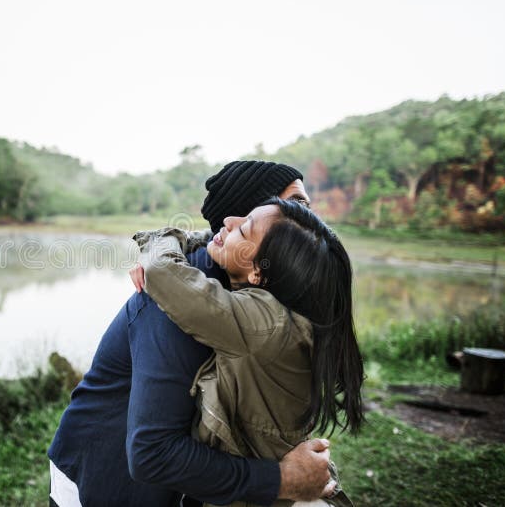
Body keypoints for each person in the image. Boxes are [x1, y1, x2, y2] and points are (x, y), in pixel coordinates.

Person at [48, 162, 336, 507]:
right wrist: (280, 479)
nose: (309, 216)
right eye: (295, 203)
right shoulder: (177, 294)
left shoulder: (267, 295)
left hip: (179, 480)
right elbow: (154, 452)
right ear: (253, 216)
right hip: (107, 476)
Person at [131, 198, 364, 506]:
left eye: (244, 229)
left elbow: (161, 271)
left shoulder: (262, 325)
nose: (229, 220)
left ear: (257, 273)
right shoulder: (293, 319)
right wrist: (212, 239)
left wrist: (165, 238)